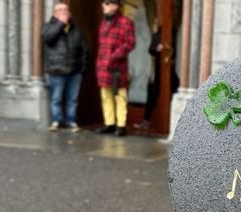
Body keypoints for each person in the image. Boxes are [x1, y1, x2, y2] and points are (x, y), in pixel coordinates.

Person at [41, 0, 88, 133]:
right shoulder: (48, 27)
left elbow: (84, 50)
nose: (63, 12)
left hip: (75, 70)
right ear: (54, 14)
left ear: (69, 13)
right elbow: (48, 38)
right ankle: (56, 121)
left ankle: (71, 121)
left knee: (72, 99)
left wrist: (82, 69)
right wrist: (60, 23)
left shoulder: (76, 30)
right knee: (56, 98)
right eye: (60, 10)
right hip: (56, 69)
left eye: (65, 10)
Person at [96, 0, 136, 137]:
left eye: (106, 3)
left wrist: (113, 57)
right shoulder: (103, 23)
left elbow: (130, 43)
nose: (103, 6)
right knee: (105, 96)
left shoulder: (125, 22)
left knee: (120, 96)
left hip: (117, 67)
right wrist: (102, 61)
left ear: (114, 6)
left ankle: (121, 126)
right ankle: (109, 123)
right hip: (103, 66)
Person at [134, 25, 179, 131]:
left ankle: (173, 124)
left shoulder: (175, 32)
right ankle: (146, 121)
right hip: (159, 70)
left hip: (171, 70)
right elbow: (151, 49)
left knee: (176, 93)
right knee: (153, 93)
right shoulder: (158, 33)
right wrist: (157, 48)